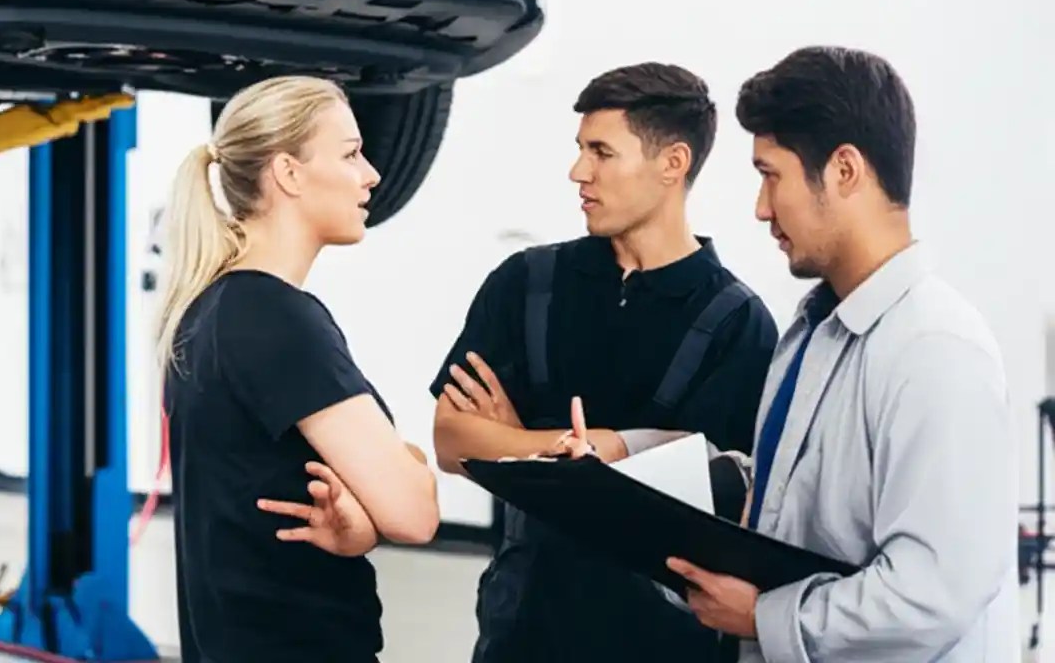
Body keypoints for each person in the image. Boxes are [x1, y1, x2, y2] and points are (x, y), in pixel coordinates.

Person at [616, 45, 1017, 662]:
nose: (760, 208)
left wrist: (764, 618)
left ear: (844, 170)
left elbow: (934, 592)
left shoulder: (935, 349)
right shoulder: (812, 332)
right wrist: (633, 467)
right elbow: (789, 496)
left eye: (770, 175)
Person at [429, 63, 780, 662]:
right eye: (580, 150)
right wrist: (594, 451)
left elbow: (714, 494)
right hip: (520, 637)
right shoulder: (524, 283)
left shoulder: (738, 324)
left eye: (601, 152)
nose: (578, 172)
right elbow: (452, 441)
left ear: (673, 163)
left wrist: (514, 441)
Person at [155, 75, 441, 663]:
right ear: (288, 173)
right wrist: (398, 476)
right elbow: (415, 513)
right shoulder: (277, 320)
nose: (373, 175)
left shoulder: (211, 310)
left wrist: (364, 515)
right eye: (351, 153)